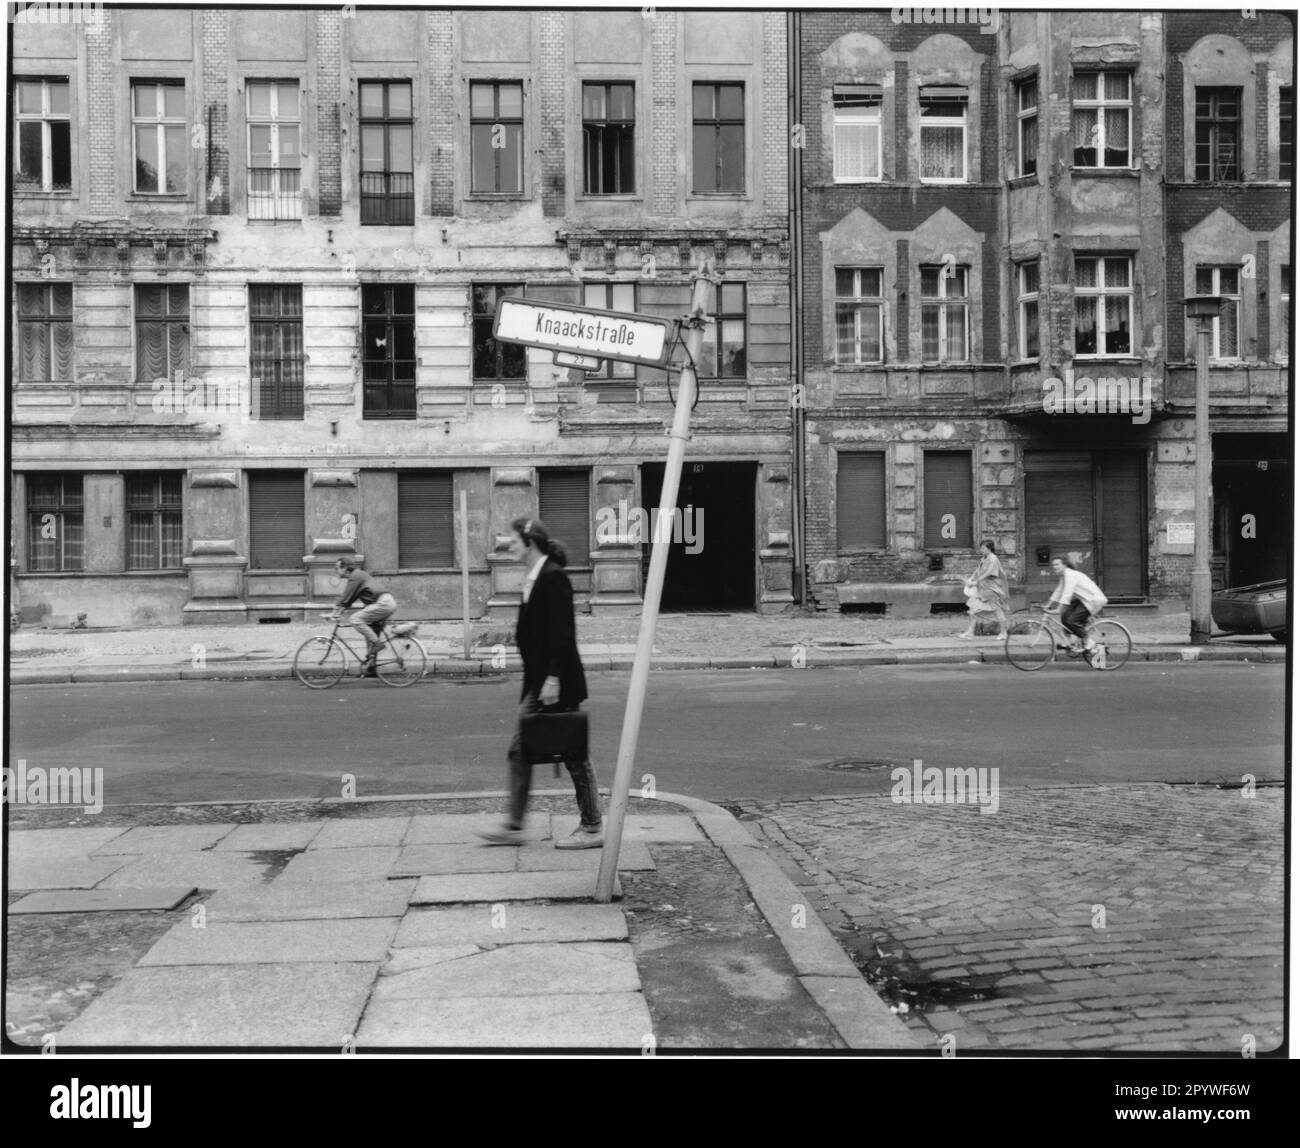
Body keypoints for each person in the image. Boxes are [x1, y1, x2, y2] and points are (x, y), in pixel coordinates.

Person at [479, 517, 604, 849]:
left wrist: (552, 679)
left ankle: (592, 827)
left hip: (556, 682)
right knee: (521, 751)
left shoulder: (552, 577)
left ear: (530, 542)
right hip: (538, 683)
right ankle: (514, 825)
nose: (509, 546)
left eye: (513, 541)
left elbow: (564, 635)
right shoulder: (534, 577)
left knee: (574, 753)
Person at [329, 557, 396, 678]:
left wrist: (334, 613)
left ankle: (378, 644)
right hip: (385, 603)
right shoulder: (358, 576)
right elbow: (349, 600)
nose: (336, 571)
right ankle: (371, 668)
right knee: (370, 633)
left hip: (383, 604)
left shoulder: (355, 576)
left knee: (355, 619)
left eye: (337, 568)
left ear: (344, 568)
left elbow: (345, 597)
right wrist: (337, 613)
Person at [1043, 554, 1108, 667]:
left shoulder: (1070, 575)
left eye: (1057, 564)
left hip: (1093, 600)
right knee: (1065, 615)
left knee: (1072, 621)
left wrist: (1058, 608)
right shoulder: (1064, 575)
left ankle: (1089, 641)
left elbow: (1067, 593)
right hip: (1083, 600)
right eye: (1053, 565)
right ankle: (1069, 642)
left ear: (1065, 565)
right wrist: (1048, 604)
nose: (1054, 566)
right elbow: (1059, 591)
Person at [959, 539, 1009, 640]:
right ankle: (970, 632)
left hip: (991, 591)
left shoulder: (993, 559)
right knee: (974, 610)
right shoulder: (984, 558)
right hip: (983, 590)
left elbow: (989, 573)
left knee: (996, 611)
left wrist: (975, 582)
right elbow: (978, 570)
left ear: (989, 549)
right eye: (981, 548)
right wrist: (971, 579)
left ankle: (1003, 633)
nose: (981, 550)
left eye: (983, 548)